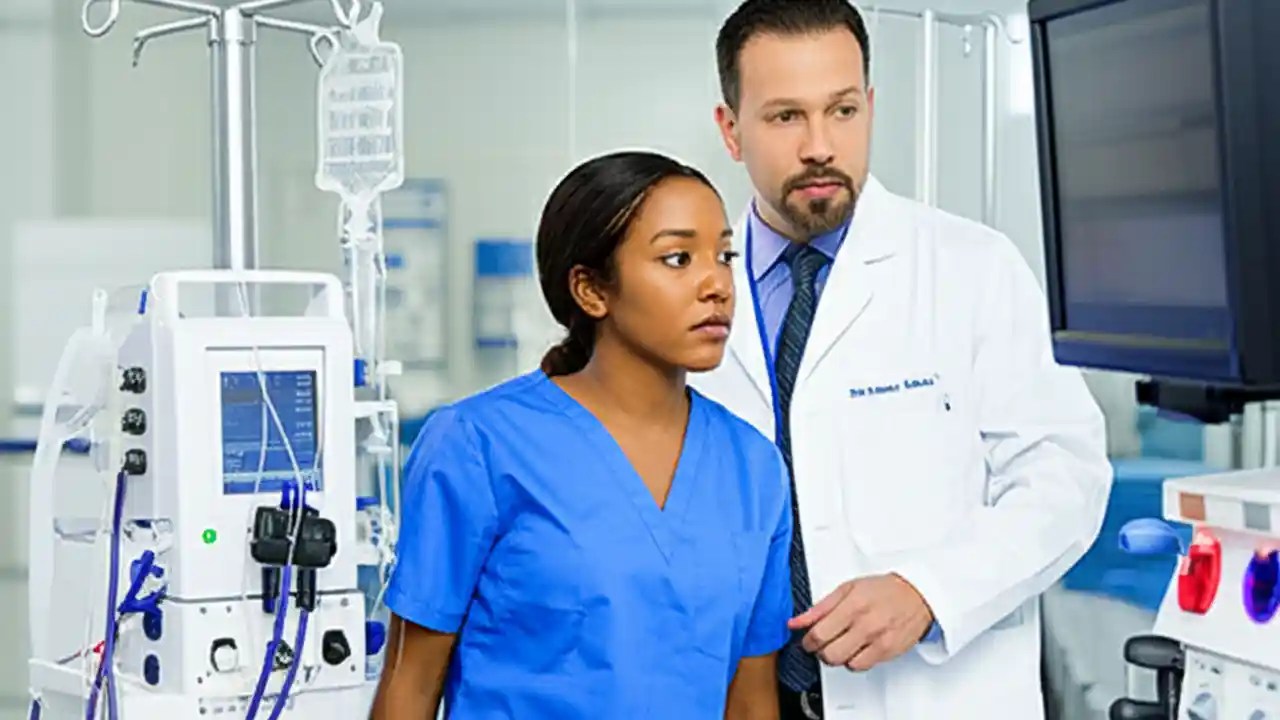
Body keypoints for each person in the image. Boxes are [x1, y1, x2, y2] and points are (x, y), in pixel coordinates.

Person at [690, 2, 1113, 719]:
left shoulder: (971, 267)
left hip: (929, 694)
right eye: (786, 116)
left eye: (843, 110)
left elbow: (1066, 478)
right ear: (731, 130)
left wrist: (930, 591)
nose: (820, 145)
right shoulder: (689, 295)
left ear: (871, 106)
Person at [369, 150, 794, 719]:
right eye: (677, 258)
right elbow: (409, 688)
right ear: (591, 290)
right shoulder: (478, 446)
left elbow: (751, 702)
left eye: (724, 256)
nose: (716, 284)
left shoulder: (752, 467)